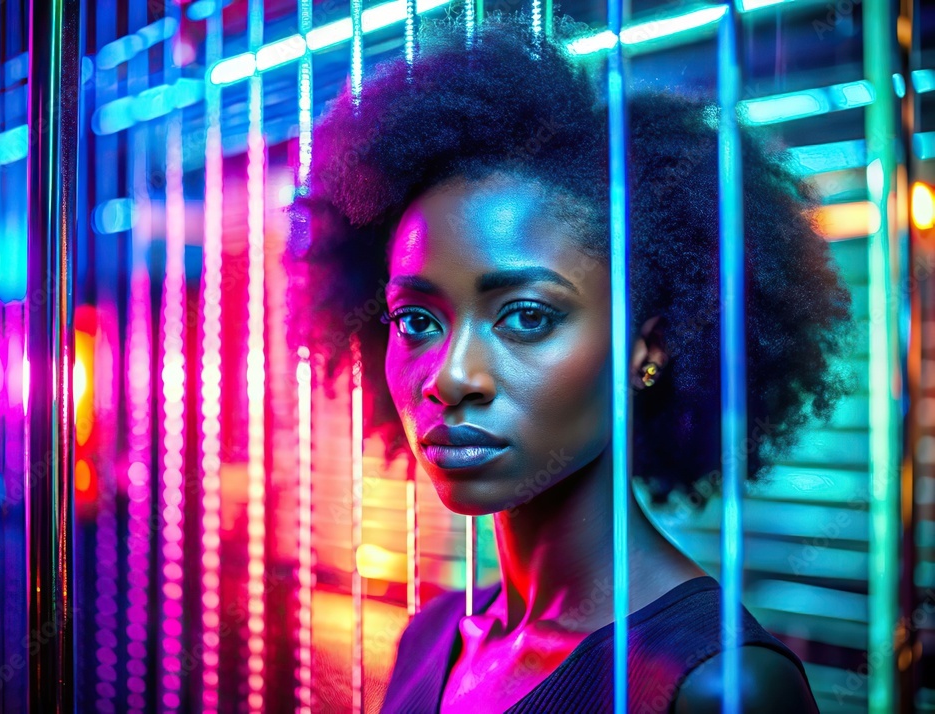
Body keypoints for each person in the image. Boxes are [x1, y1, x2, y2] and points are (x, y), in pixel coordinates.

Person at [284, 10, 854, 713]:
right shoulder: (434, 638)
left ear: (649, 346)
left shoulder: (711, 686)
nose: (450, 377)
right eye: (417, 321)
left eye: (526, 316)